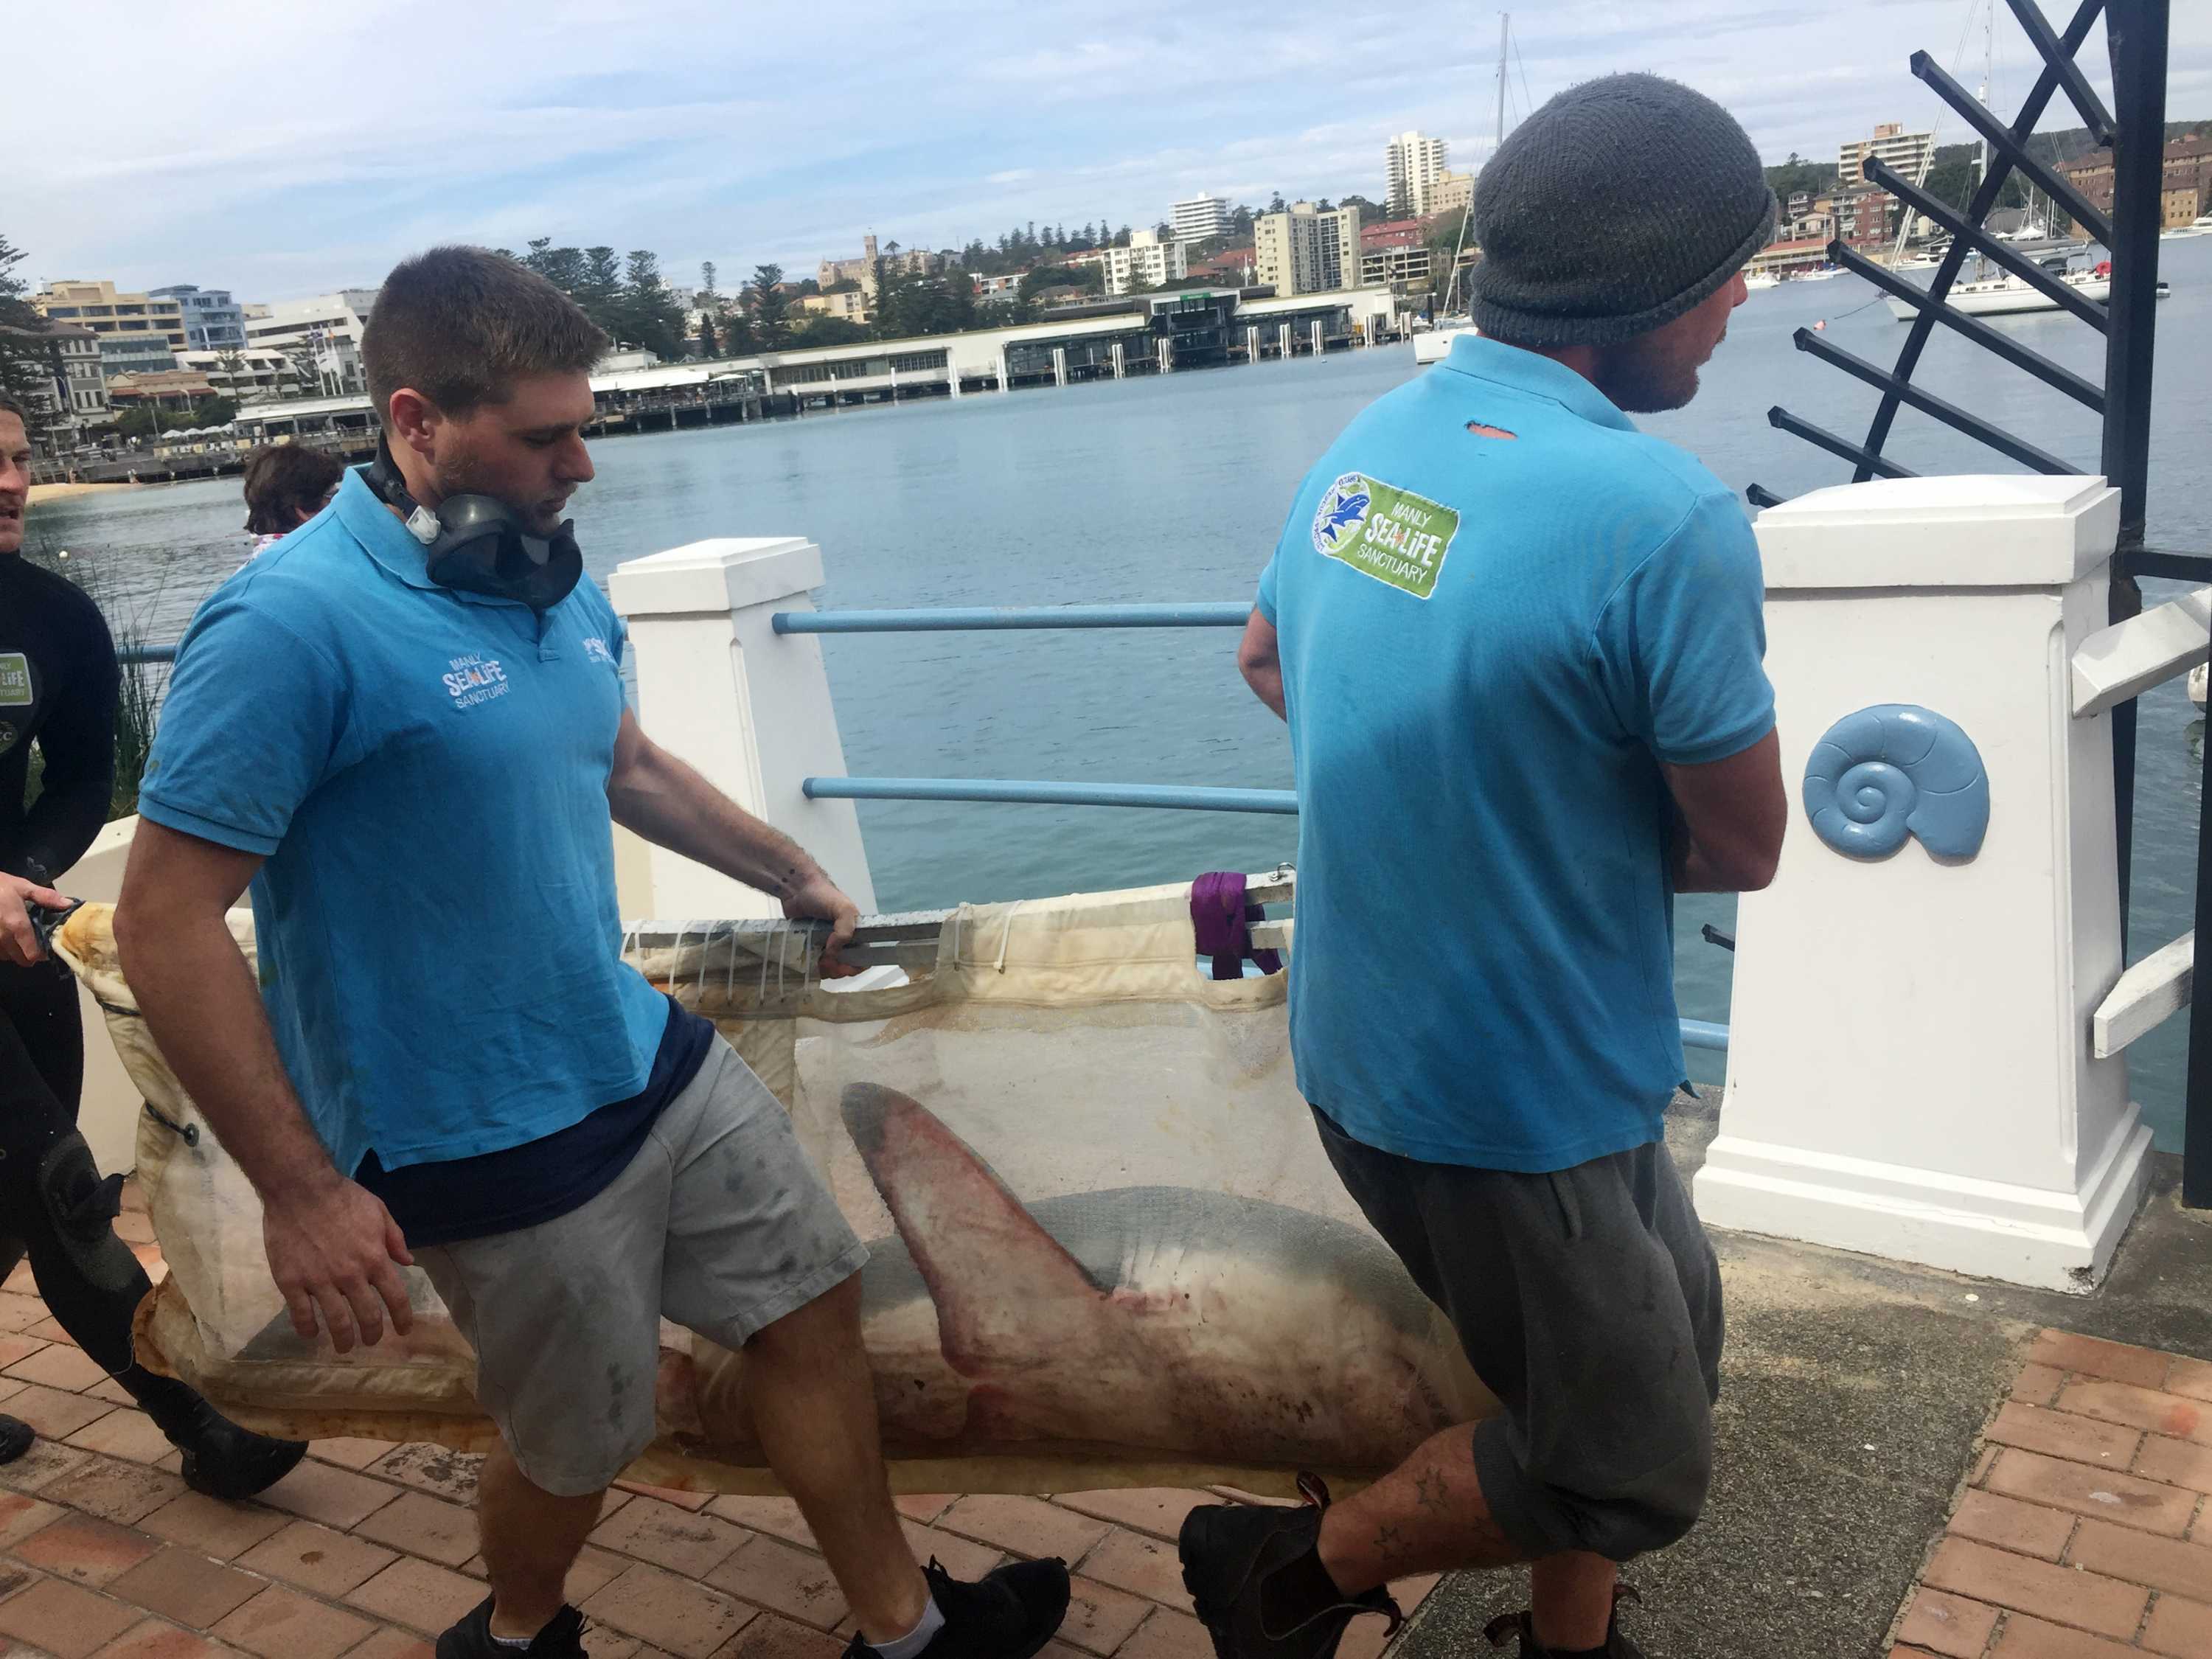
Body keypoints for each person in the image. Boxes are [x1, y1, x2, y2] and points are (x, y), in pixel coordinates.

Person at [114, 249, 1069, 1659]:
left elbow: (621, 758)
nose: (583, 464)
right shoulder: (288, 626)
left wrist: (790, 869)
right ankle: (513, 1632)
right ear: (417, 420)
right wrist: (302, 1192)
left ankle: (907, 1632)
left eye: (585, 427)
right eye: (544, 435)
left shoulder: (546, 575)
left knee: (809, 1296)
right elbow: (162, 918)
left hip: (638, 1051)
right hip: (474, 1127)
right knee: (583, 1439)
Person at [1176, 76, 1787, 1659]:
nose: (1740, 299)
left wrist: (1464, 796)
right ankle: (1287, 1569)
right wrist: (1531, 812)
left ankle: (1563, 1646)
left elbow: (1261, 655)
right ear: (1637, 288)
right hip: (1511, 1095)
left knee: (1656, 1339)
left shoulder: (1384, 433)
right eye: (1727, 267)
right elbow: (1745, 843)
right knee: (1631, 1458)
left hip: (1384, 1042)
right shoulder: (1664, 519)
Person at [0, 392, 309, 1496]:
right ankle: (202, 1422)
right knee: (61, 1178)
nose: (12, 481)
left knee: (12, 1199)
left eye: (22, 458)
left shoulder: (53, 616)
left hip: (16, 939)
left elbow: (85, 776)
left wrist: (25, 861)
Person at [241, 442, 346, 555]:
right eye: (334, 496)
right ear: (302, 509)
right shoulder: (316, 560)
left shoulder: (261, 560)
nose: (342, 503)